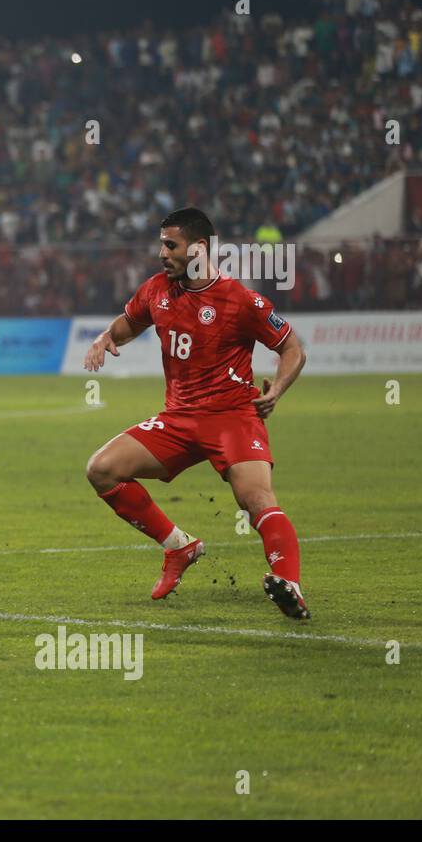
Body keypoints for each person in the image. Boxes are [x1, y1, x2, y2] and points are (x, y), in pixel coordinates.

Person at [83, 208, 311, 620]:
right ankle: (178, 546)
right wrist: (105, 337)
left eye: (170, 245)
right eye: (161, 244)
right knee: (101, 469)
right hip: (179, 419)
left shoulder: (241, 301)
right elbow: (130, 323)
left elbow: (292, 348)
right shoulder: (156, 289)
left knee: (255, 499)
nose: (161, 253)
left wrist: (276, 390)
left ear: (199, 248)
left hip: (233, 417)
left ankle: (288, 584)